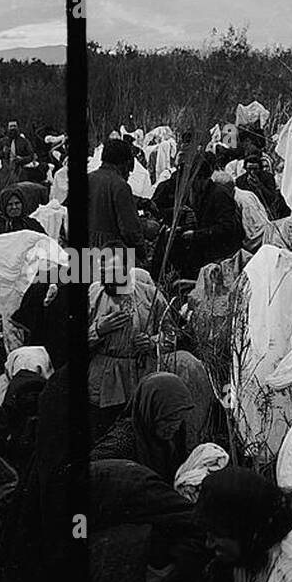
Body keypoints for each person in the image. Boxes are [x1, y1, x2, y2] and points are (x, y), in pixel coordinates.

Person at [88, 257, 172, 433]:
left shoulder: (151, 295)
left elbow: (172, 336)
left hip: (141, 376)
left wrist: (152, 342)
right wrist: (99, 329)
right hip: (103, 381)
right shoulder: (93, 296)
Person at [90, 372, 195, 483]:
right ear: (150, 411)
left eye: (179, 420)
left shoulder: (173, 436)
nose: (176, 427)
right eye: (168, 419)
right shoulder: (123, 442)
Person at [88, 137, 146, 265]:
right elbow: (130, 230)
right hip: (111, 254)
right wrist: (141, 254)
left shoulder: (88, 179)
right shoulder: (120, 185)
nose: (129, 174)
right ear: (124, 163)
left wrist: (141, 202)